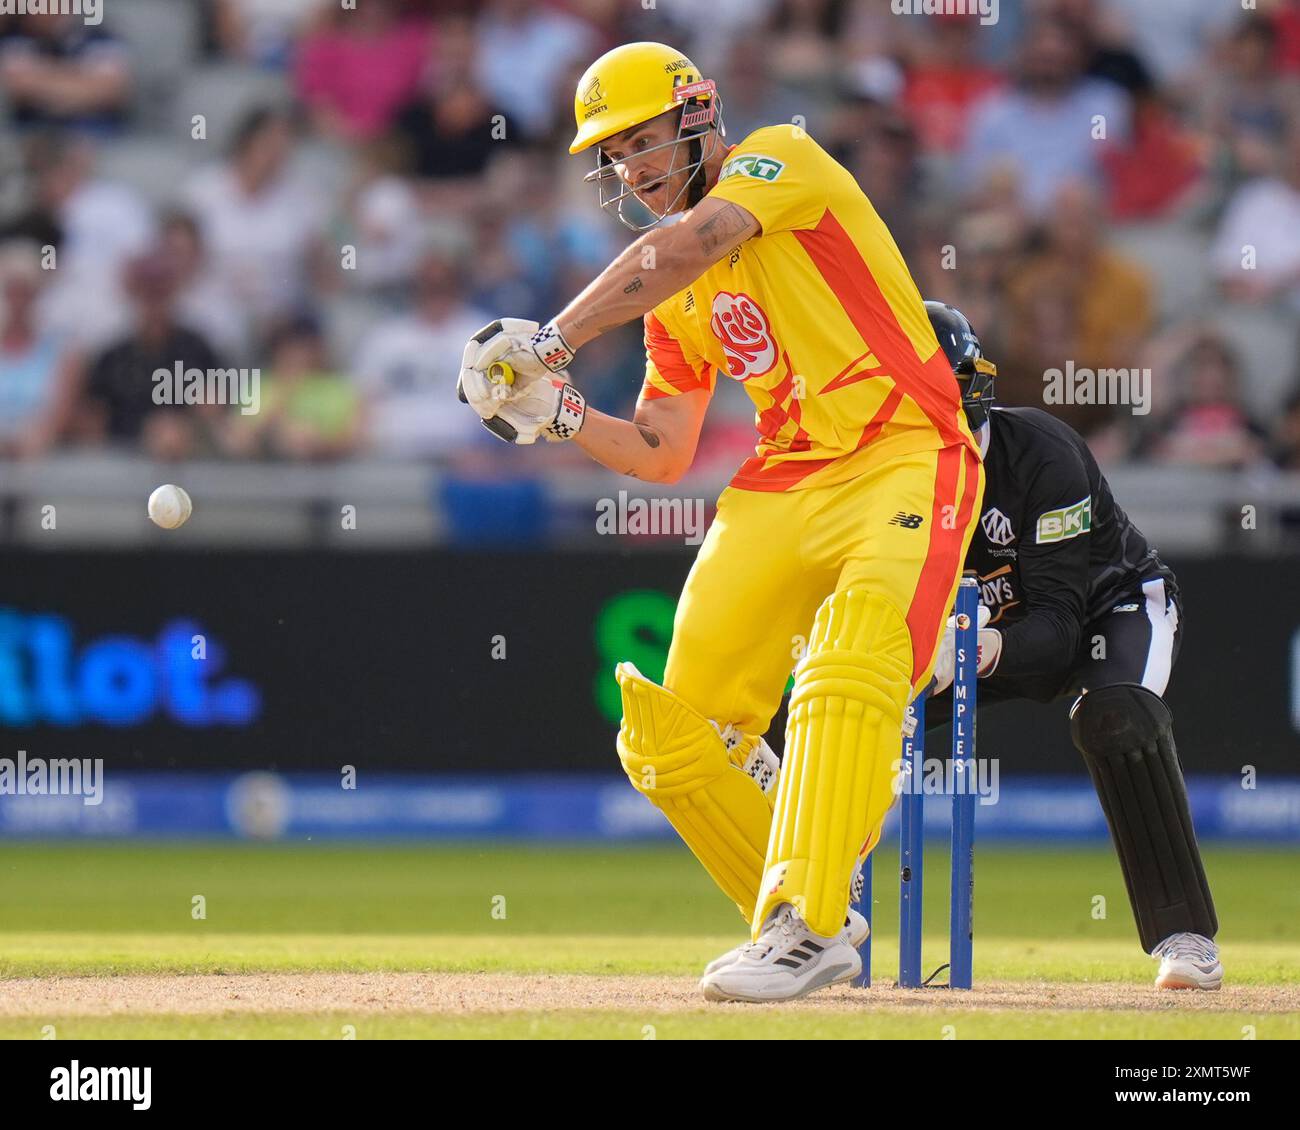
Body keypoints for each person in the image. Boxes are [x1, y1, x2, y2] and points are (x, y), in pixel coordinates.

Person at [457, 42, 983, 1002]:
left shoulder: (781, 159)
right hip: (784, 481)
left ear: (699, 118)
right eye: (614, 155)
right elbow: (661, 449)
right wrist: (562, 414)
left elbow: (692, 245)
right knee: (666, 732)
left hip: (906, 450)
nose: (632, 168)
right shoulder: (675, 307)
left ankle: (804, 920)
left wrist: (550, 344)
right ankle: (814, 915)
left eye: (644, 141)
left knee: (851, 658)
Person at [921, 300, 1221, 991]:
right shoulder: (887, 472)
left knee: (1115, 715)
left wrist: (977, 647)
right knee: (861, 705)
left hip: (1106, 610)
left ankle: (1186, 937)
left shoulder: (1042, 454)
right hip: (981, 628)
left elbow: (1056, 630)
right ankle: (824, 914)